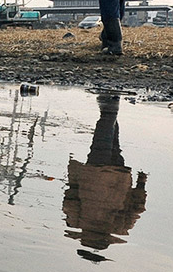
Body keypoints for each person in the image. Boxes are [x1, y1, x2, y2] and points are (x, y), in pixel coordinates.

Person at [62, 94, 147, 261]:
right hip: (93, 173)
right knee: (102, 141)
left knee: (113, 145)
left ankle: (111, 106)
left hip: (119, 178)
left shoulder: (120, 228)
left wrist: (141, 183)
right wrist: (74, 175)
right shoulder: (76, 222)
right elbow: (70, 198)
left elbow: (137, 207)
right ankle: (110, 106)